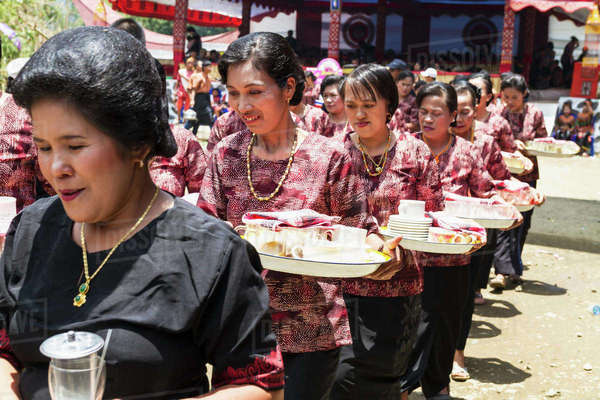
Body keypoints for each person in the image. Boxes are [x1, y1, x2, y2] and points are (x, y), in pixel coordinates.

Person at [1, 26, 284, 400]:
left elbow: (260, 384)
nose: (56, 167)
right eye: (44, 147)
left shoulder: (211, 253)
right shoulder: (31, 231)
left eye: (75, 145)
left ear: (137, 142)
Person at [198, 32, 401, 400]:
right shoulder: (225, 154)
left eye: (255, 91)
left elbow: (360, 231)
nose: (242, 105)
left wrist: (380, 250)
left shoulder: (329, 157)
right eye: (233, 92)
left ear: (289, 87)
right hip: (241, 330)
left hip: (312, 329)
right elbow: (205, 230)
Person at [331, 64, 444, 400]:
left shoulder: (415, 152)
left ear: (389, 104)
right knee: (340, 377)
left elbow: (434, 217)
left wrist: (401, 245)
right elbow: (319, 217)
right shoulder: (333, 153)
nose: (358, 114)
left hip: (397, 286)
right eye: (351, 105)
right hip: (340, 287)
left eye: (368, 104)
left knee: (384, 380)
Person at [404, 82, 520, 400]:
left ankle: (438, 385)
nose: (427, 119)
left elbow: (484, 191)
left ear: (453, 115)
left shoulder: (466, 151)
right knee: (413, 323)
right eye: (423, 112)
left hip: (454, 255)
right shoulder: (404, 147)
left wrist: (509, 205)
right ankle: (403, 386)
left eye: (436, 113)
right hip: (411, 257)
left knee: (446, 322)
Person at [449, 81, 515, 383]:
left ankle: (457, 354)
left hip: (473, 234)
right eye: (454, 111)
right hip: (433, 236)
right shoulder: (426, 141)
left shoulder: (484, 143)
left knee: (462, 298)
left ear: (477, 108)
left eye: (466, 111)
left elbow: (501, 180)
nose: (459, 119)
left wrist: (504, 203)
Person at [490, 73, 547, 290]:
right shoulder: (498, 113)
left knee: (523, 223)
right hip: (503, 174)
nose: (510, 102)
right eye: (506, 97)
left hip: (528, 174)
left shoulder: (535, 113)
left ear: (524, 94)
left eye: (514, 97)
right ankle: (503, 272)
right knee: (506, 221)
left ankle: (514, 269)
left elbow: (544, 140)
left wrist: (527, 144)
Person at [190, 59, 214, 133]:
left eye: (211, 66)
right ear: (204, 67)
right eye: (209, 66)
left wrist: (211, 99)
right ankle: (214, 135)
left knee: (199, 117)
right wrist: (192, 100)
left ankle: (193, 134)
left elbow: (209, 91)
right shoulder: (198, 76)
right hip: (199, 97)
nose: (210, 68)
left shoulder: (209, 78)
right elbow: (194, 89)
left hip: (206, 97)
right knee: (207, 115)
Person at [177, 57, 196, 123]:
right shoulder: (181, 71)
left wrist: (183, 76)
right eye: (188, 63)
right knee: (179, 105)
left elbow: (191, 81)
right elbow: (178, 81)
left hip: (189, 91)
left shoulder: (194, 73)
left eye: (191, 63)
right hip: (181, 90)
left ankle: (185, 121)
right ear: (186, 64)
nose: (190, 64)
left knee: (187, 107)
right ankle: (178, 118)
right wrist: (175, 91)